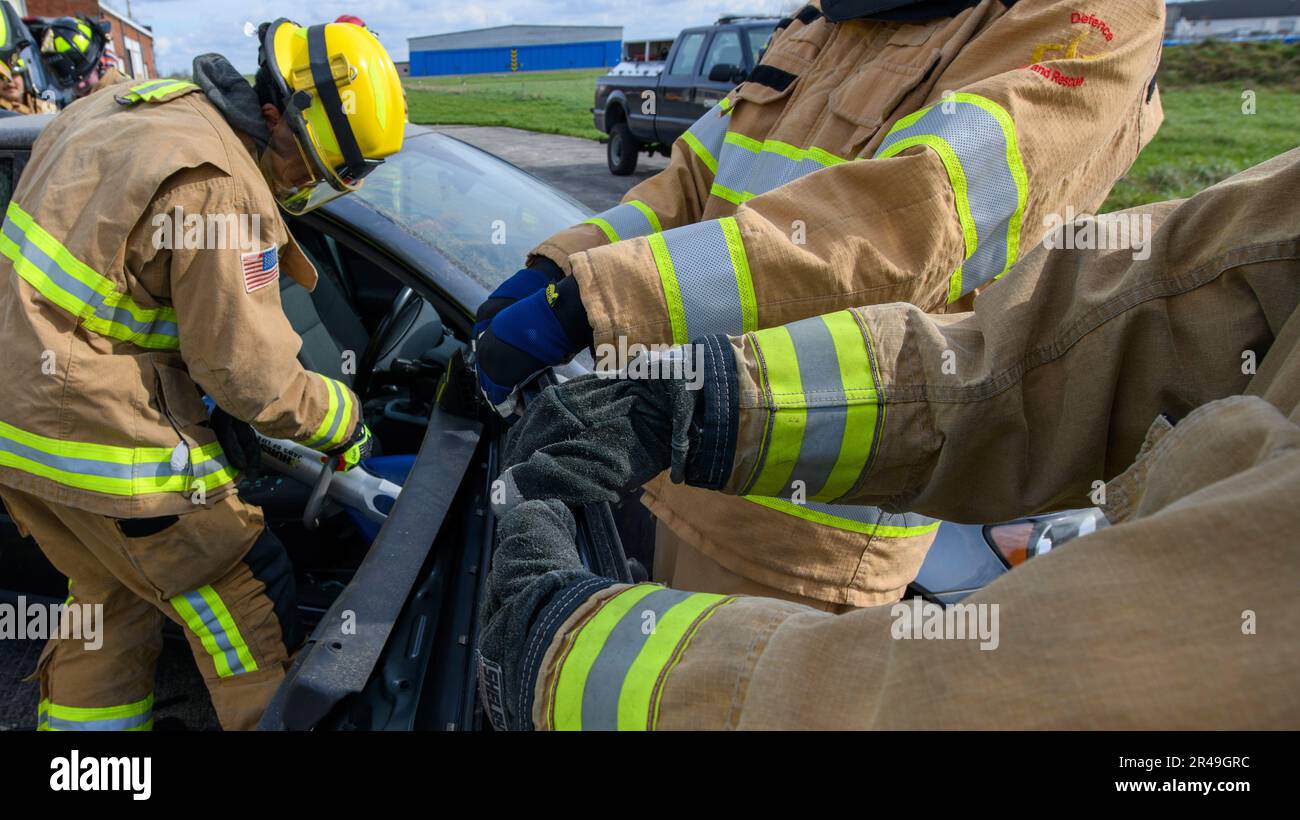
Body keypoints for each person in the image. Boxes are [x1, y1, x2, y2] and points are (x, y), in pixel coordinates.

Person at [478, 147, 1300, 730]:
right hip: (685, 489)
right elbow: (1080, 335)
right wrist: (691, 396)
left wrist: (562, 657)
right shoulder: (820, 25)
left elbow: (903, 219)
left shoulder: (1070, 25)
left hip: (810, 548)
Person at [471, 0, 1169, 613]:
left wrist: (595, 303)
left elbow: (907, 224)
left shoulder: (1085, 19)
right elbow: (691, 183)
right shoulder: (822, 18)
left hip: (809, 527)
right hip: (681, 467)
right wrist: (561, 266)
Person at [0, 18, 405, 730]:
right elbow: (252, 378)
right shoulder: (219, 184)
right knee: (241, 590)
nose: (303, 184)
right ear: (275, 114)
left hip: (21, 436)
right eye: (308, 166)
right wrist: (343, 421)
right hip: (103, 447)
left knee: (109, 598)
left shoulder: (127, 106)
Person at [38, 16, 126, 101]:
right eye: (73, 84)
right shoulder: (75, 103)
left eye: (86, 77)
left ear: (100, 63)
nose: (80, 85)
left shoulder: (124, 94)